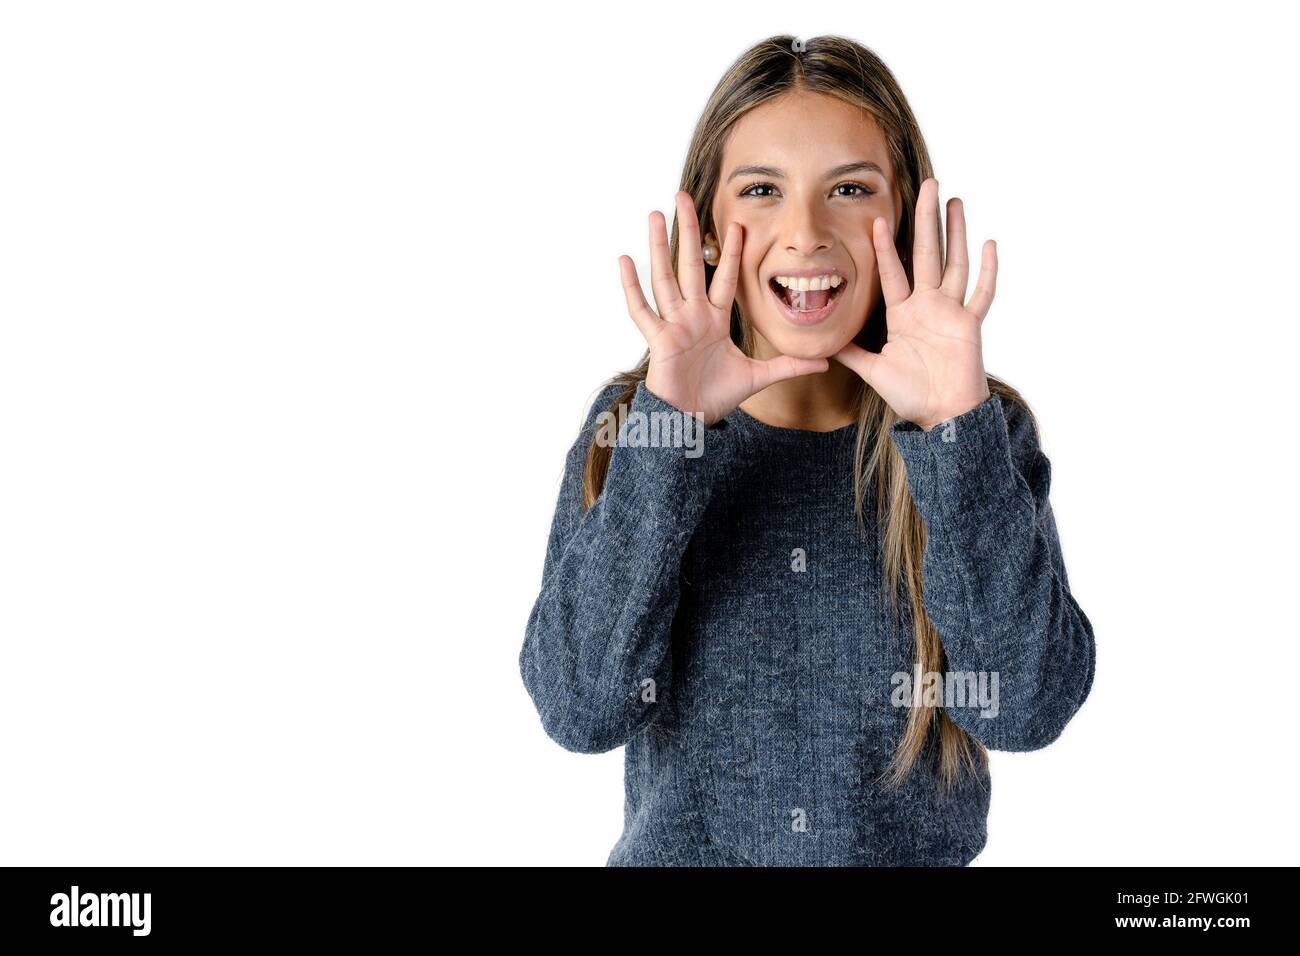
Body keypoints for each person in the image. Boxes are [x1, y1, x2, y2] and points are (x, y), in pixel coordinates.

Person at [519, 34, 1096, 866]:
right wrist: (669, 428)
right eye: (761, 190)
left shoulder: (977, 432)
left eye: (850, 189)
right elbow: (579, 709)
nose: (805, 232)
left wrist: (952, 435)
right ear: (708, 231)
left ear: (900, 223)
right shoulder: (636, 427)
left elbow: (1029, 708)